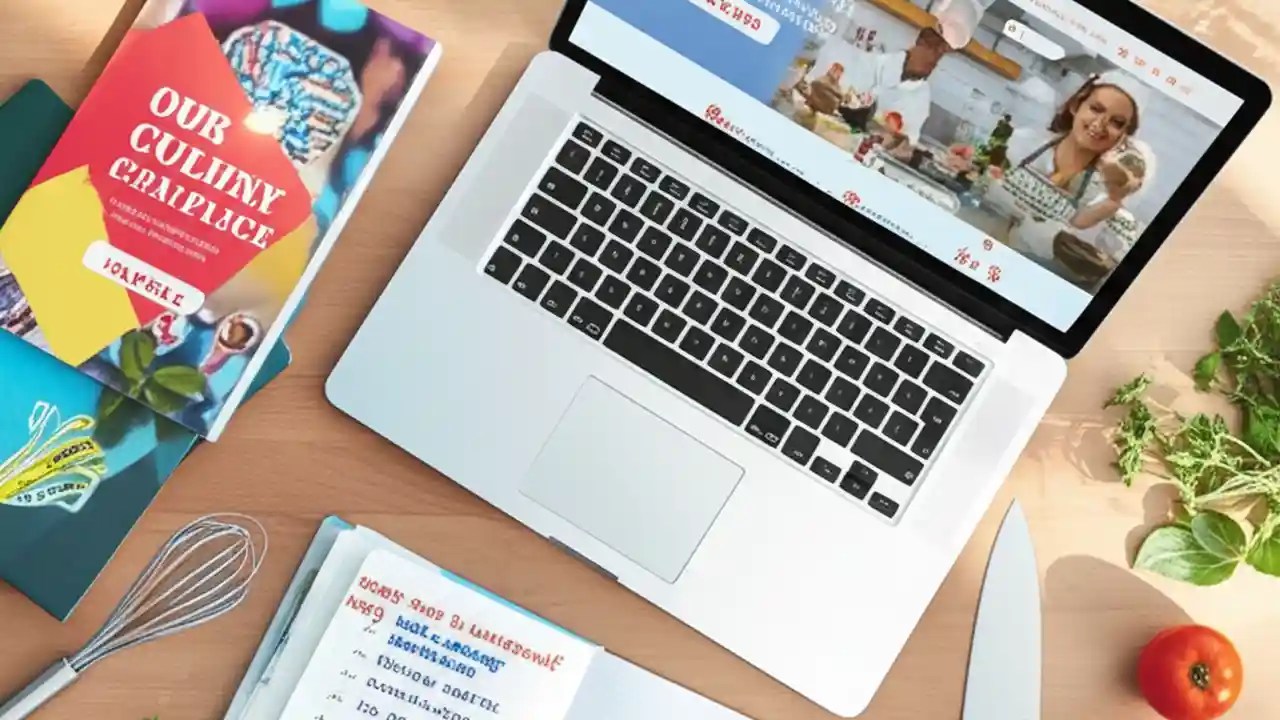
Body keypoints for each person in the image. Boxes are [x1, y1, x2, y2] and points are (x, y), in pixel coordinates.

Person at [996, 70, 1156, 267]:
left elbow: (1090, 255)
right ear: (1075, 105)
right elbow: (982, 178)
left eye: (1117, 122)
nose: (1100, 124)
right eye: (1096, 109)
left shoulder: (1105, 194)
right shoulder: (1022, 142)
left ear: (1124, 136)